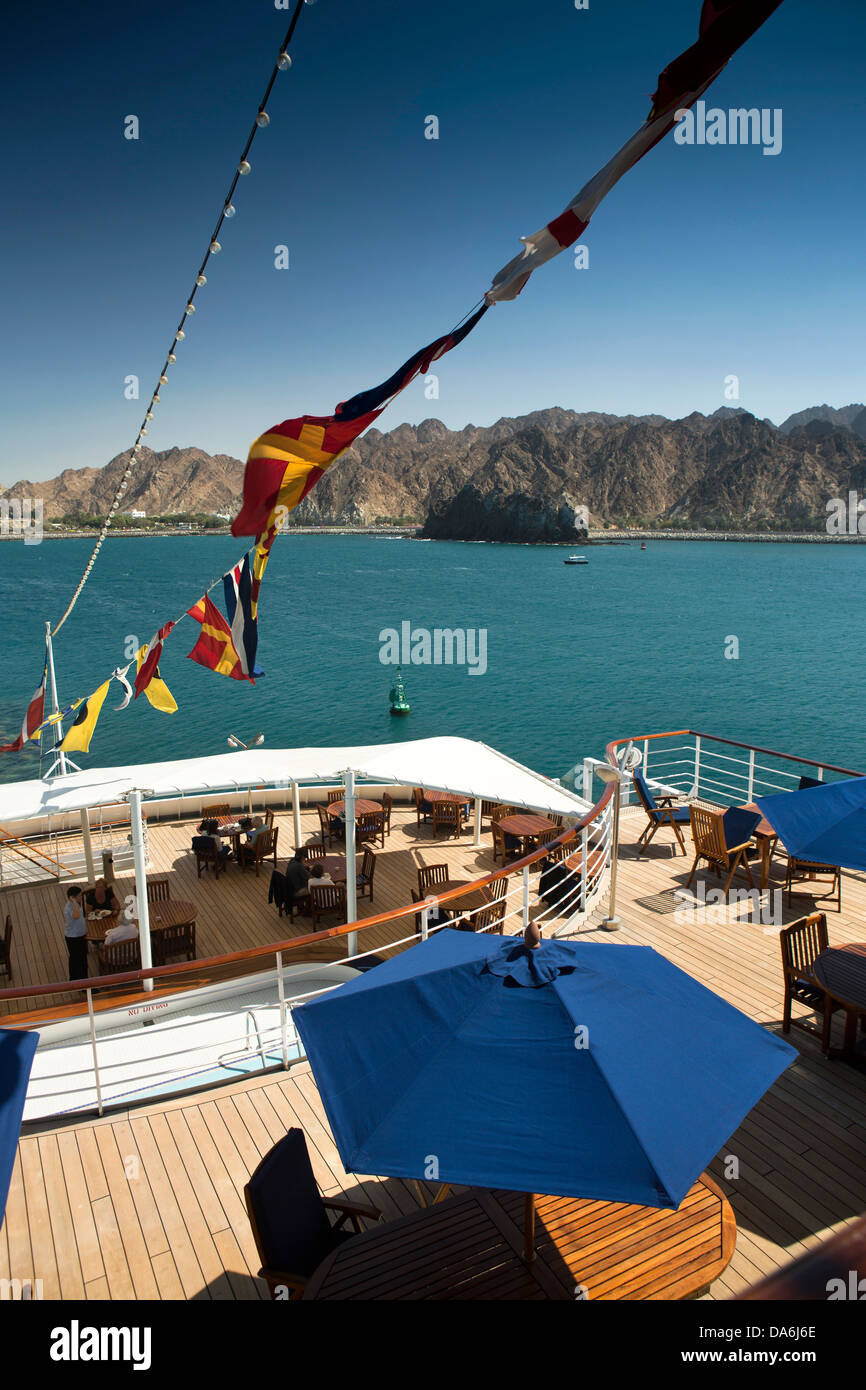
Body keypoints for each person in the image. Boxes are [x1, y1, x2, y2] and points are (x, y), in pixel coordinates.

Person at [63, 885, 88, 980]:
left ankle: (73, 979)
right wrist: (74, 901)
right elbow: (76, 916)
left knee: (75, 959)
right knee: (80, 961)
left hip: (78, 935)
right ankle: (83, 981)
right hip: (74, 938)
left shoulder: (76, 905)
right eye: (79, 896)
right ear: (72, 897)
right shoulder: (70, 908)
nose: (81, 897)